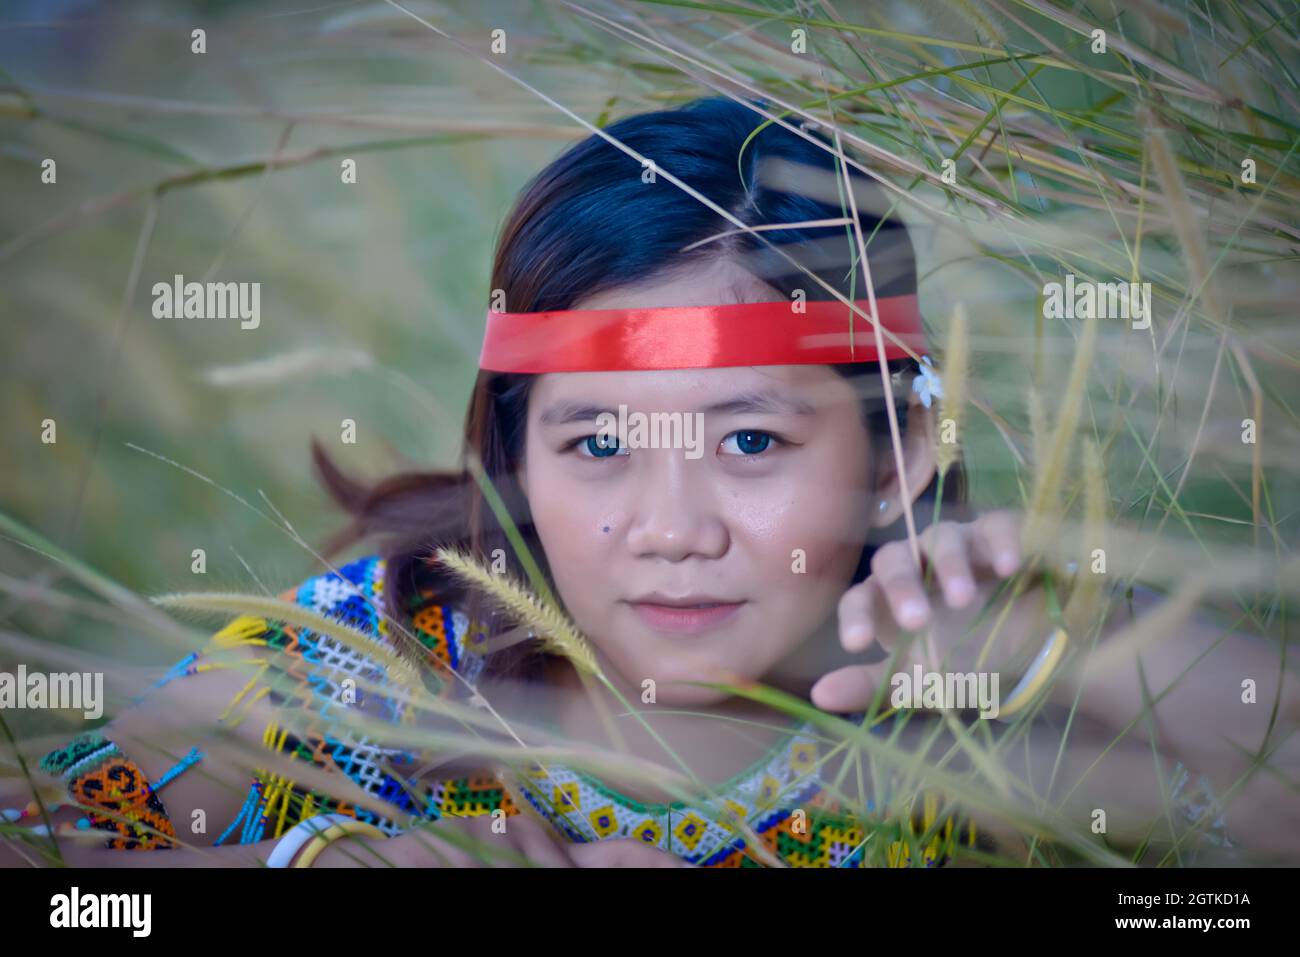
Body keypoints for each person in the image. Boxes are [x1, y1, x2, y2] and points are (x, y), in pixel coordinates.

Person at [4, 97, 1293, 868]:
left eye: (748, 444)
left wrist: (1058, 636)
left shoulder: (963, 762)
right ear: (514, 458)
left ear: (894, 458)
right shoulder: (372, 672)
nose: (668, 532)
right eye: (597, 444)